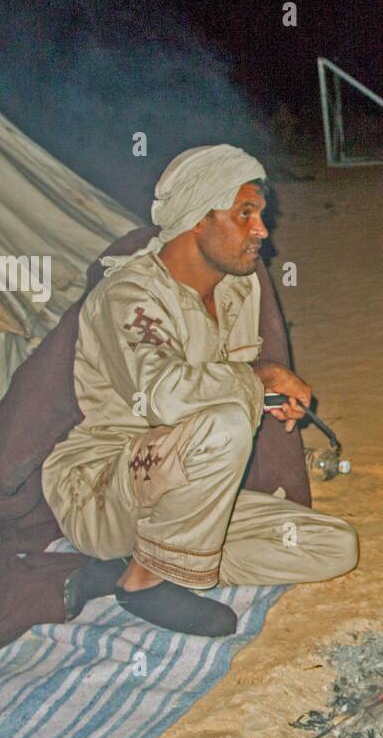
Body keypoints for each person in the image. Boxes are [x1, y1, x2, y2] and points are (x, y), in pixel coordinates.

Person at [41, 144, 357, 636]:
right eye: (245, 214)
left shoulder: (239, 287)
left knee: (331, 546)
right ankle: (144, 582)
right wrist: (259, 379)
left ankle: (141, 559)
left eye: (261, 214)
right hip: (103, 484)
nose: (262, 230)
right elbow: (164, 395)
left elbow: (224, 380)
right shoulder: (129, 296)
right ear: (196, 218)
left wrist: (264, 393)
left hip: (182, 489)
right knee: (226, 425)